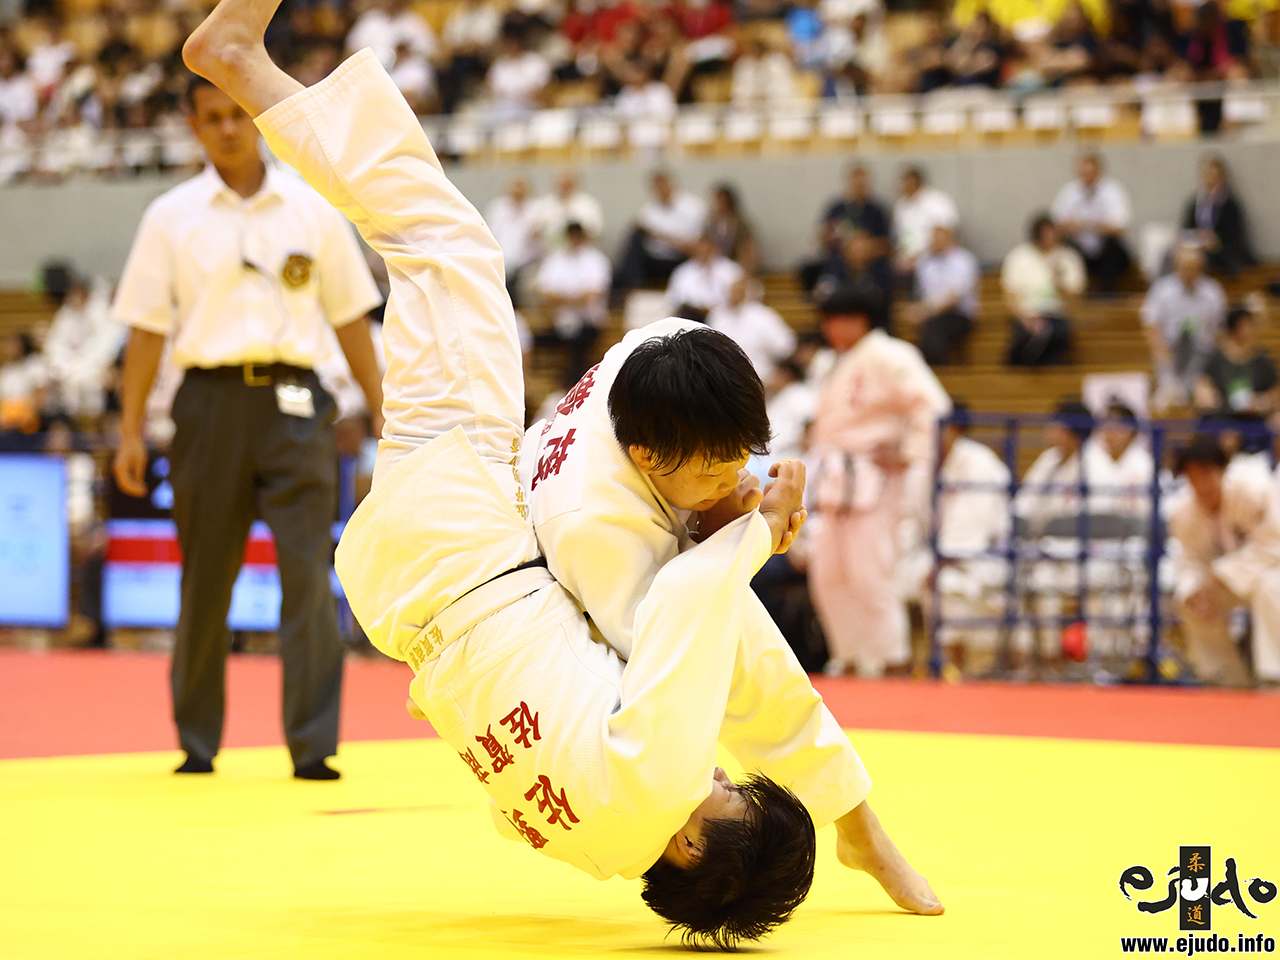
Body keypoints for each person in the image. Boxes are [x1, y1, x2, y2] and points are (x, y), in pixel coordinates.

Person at [182, 5, 941, 942]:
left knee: (444, 246)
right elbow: (536, 766)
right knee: (437, 255)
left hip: (466, 545)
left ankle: (242, 69)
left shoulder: (651, 754)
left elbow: (689, 609)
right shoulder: (586, 848)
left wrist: (759, 534)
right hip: (409, 597)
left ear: (693, 854)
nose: (711, 771)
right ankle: (853, 810)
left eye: (723, 795)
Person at [111, 73, 385, 780]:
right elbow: (145, 333)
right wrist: (131, 430)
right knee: (205, 577)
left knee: (307, 574)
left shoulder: (312, 210)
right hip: (206, 406)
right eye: (213, 118)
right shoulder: (170, 217)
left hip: (298, 403)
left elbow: (352, 318)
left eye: (238, 114)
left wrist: (383, 411)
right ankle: (197, 741)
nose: (228, 128)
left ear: (256, 120)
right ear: (194, 126)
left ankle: (313, 744)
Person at [807, 287, 951, 676]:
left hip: (876, 477)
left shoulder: (891, 355)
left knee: (872, 572)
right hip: (835, 478)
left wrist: (908, 453)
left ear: (860, 320)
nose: (830, 328)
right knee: (829, 575)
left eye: (837, 319)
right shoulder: (830, 362)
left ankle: (892, 659)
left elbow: (934, 408)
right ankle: (849, 657)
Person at [1170, 436, 1280, 687]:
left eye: (1206, 474)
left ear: (1223, 470)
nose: (1201, 485)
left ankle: (1274, 678)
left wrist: (1220, 575)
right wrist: (1194, 587)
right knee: (1191, 601)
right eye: (1193, 478)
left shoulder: (1254, 491)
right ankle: (1224, 680)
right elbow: (1189, 560)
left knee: (1271, 588)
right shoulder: (1183, 511)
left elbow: (1274, 545)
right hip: (1226, 579)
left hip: (1272, 569)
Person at [918, 403, 1011, 674]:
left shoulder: (978, 464)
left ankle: (953, 666)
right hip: (941, 553)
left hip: (982, 556)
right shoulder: (933, 463)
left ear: (953, 429)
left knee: (948, 585)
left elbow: (973, 526)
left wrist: (940, 562)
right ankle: (926, 664)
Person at [1141, 244, 1227, 409]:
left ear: (1201, 267)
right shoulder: (1161, 289)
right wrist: (1165, 359)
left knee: (1206, 398)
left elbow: (1219, 328)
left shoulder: (1212, 291)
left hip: (1203, 356)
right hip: (1170, 355)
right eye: (1185, 268)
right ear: (1176, 266)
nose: (1189, 273)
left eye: (1193, 268)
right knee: (1168, 399)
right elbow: (1151, 326)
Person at [1002, 213, 1084, 367]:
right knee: (1024, 338)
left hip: (1057, 315)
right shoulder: (1019, 257)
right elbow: (1010, 294)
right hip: (1027, 315)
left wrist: (1059, 280)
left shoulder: (1068, 258)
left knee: (1057, 336)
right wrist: (1025, 318)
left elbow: (1075, 298)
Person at [534, 221, 612, 380]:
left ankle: (575, 382)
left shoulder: (596, 260)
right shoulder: (555, 260)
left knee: (579, 347)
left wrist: (562, 299)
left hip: (588, 323)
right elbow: (545, 294)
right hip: (559, 323)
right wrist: (574, 299)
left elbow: (591, 296)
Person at [1050, 152, 1132, 293]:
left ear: (1099, 171)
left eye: (1091, 172)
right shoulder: (1068, 192)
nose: (1087, 176)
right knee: (1065, 251)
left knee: (1112, 246)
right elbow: (1055, 224)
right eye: (1084, 172)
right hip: (1080, 249)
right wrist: (1068, 227)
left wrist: (1087, 226)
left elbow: (1120, 226)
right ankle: (1077, 295)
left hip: (1106, 251)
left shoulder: (1113, 191)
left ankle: (1110, 294)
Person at [799, 164, 890, 291]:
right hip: (839, 258)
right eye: (855, 184)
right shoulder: (836, 209)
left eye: (862, 185)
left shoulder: (877, 211)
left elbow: (886, 244)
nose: (859, 188)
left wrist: (863, 247)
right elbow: (822, 237)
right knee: (809, 270)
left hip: (869, 261)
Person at [615, 169, 708, 292]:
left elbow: (698, 241)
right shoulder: (649, 211)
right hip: (657, 258)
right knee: (635, 236)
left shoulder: (693, 207)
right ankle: (633, 285)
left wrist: (665, 238)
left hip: (681, 256)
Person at [906, 224, 979, 367]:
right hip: (932, 316)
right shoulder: (925, 263)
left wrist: (925, 312)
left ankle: (942, 375)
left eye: (939, 238)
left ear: (950, 238)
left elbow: (953, 298)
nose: (934, 241)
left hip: (959, 315)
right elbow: (920, 294)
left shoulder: (963, 261)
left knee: (934, 335)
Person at [1195, 303, 1279, 421]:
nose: (1248, 332)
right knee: (1229, 435)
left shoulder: (1262, 360)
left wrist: (1263, 402)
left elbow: (1275, 392)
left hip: (1256, 419)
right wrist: (1214, 401)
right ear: (1231, 331)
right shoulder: (1215, 359)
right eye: (1243, 327)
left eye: (1251, 326)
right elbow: (1202, 390)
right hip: (1223, 418)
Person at [707, 277, 797, 382]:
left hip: (763, 377)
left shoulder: (763, 315)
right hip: (725, 378)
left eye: (740, 289)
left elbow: (786, 346)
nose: (736, 293)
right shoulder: (717, 316)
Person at [1181, 155, 1256, 276]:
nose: (1210, 179)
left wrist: (1216, 240)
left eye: (1214, 175)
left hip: (1222, 251)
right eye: (1207, 174)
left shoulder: (1229, 204)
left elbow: (1235, 234)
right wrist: (1199, 237)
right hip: (1198, 247)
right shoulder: (1195, 203)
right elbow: (1186, 228)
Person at [811, 229, 895, 332]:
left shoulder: (881, 274)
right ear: (846, 250)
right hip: (840, 327)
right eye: (855, 247)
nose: (860, 251)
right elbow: (822, 293)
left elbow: (878, 304)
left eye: (864, 247)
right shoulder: (834, 270)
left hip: (874, 330)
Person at [484, 177, 542, 308]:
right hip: (500, 262)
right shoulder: (497, 208)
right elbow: (489, 236)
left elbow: (539, 244)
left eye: (522, 187)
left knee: (529, 284)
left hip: (528, 264)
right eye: (515, 187)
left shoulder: (536, 210)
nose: (518, 191)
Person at [892, 166, 958, 276]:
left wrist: (922, 256)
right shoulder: (901, 206)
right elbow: (899, 238)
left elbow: (948, 234)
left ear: (914, 182)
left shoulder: (937, 202)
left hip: (934, 258)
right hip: (906, 260)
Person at [664, 234, 744, 322]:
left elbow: (742, 296)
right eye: (700, 247)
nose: (703, 250)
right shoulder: (682, 272)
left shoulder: (731, 270)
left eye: (707, 247)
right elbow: (673, 301)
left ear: (714, 247)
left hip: (724, 318)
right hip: (692, 318)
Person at [531, 170, 604, 251]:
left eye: (568, 183)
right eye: (561, 183)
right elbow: (534, 232)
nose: (564, 186)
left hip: (581, 254)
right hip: (552, 255)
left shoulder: (588, 204)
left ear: (576, 183)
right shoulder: (545, 204)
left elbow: (596, 231)